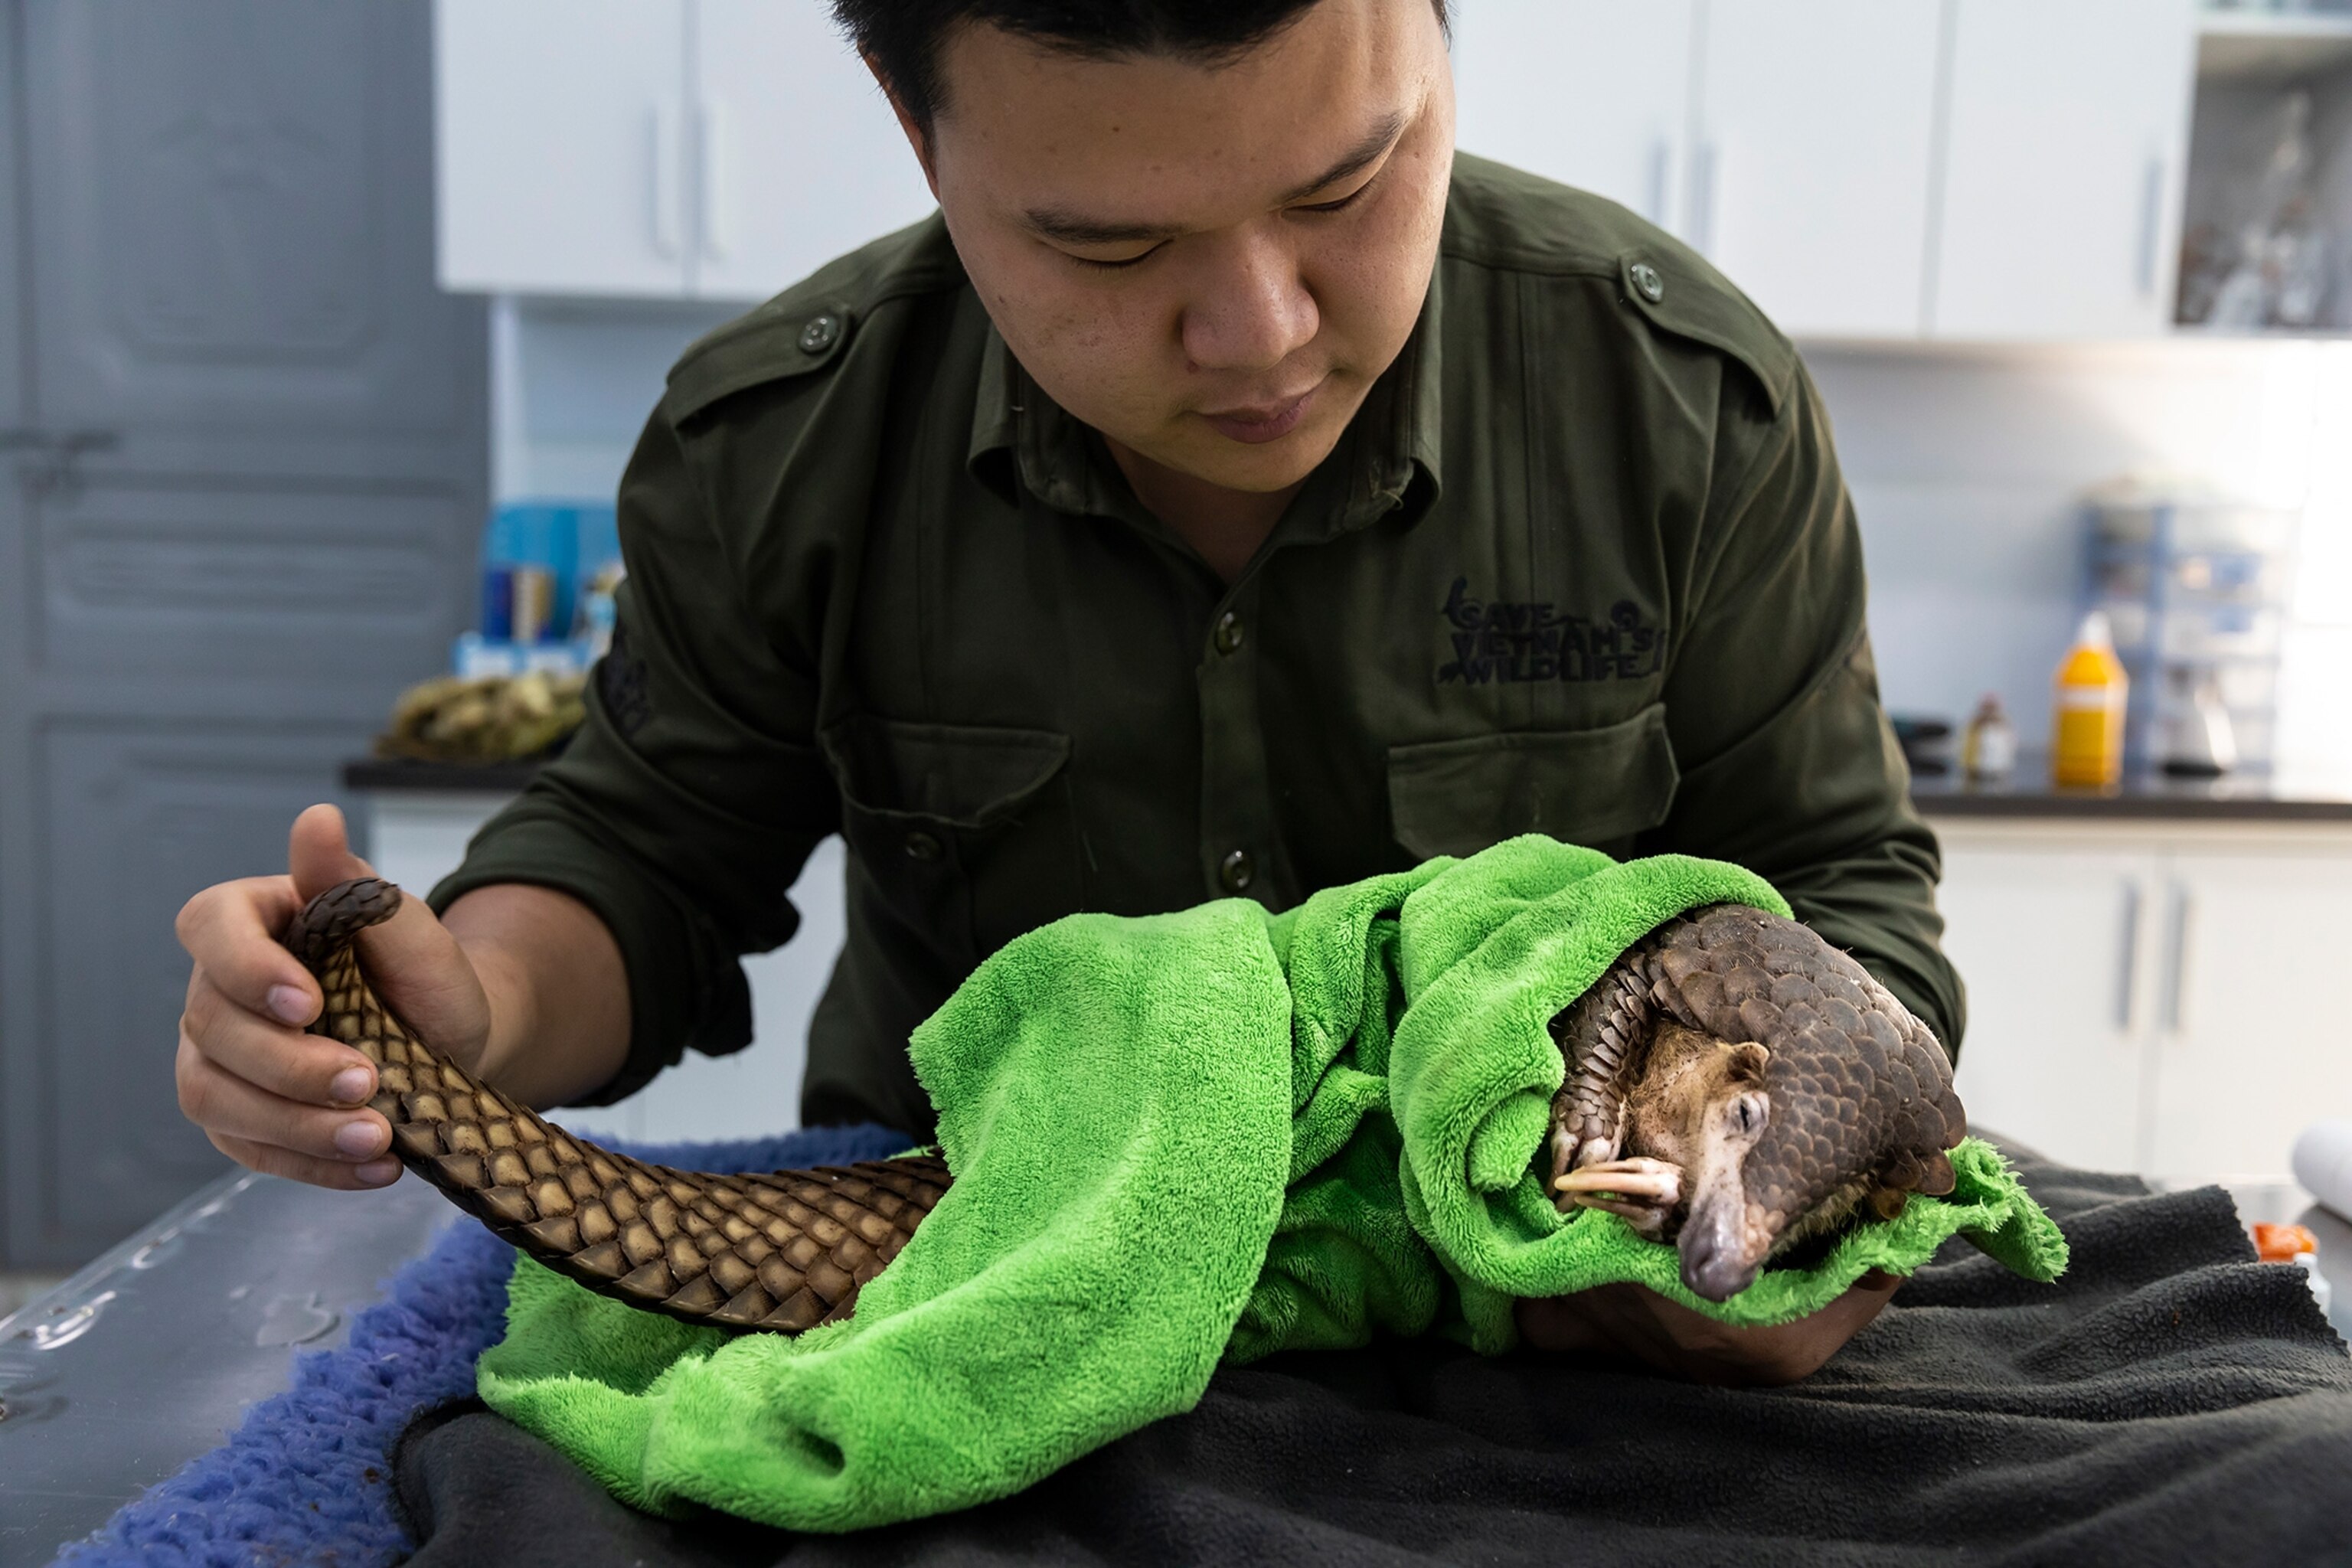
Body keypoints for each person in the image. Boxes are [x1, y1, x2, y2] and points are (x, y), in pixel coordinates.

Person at [174, 0, 1953, 1384]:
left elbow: (1843, 893)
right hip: (956, 1268)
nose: (1260, 328)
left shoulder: (1676, 399)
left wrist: (1788, 1198)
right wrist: (464, 1014)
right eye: (1111, 248)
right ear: (917, 134)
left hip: (1542, 1316)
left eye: (1345, 186)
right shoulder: (782, 445)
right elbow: (643, 854)